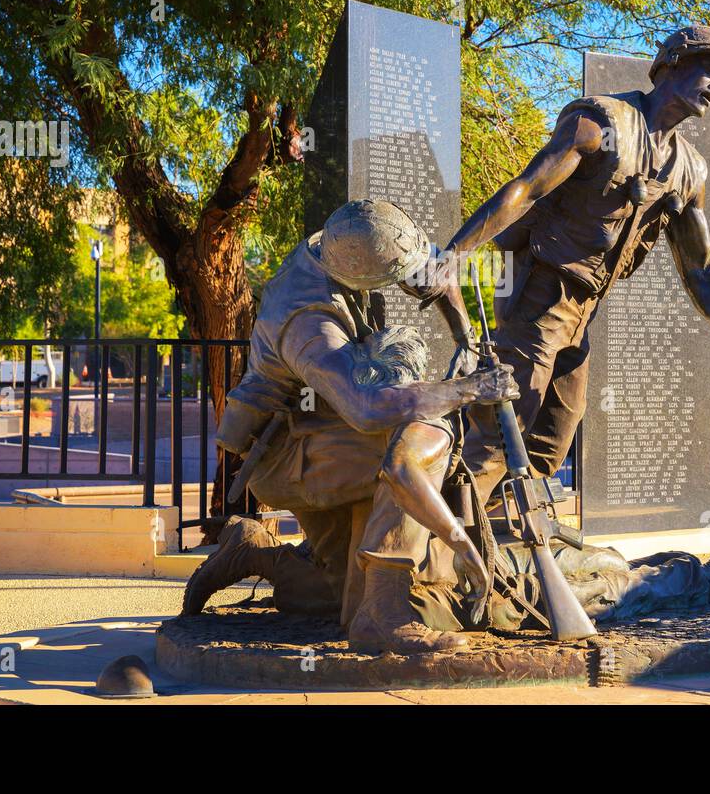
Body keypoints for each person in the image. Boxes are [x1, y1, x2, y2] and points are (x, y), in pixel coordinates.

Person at [415, 24, 710, 502]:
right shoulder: (602, 122)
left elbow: (701, 271)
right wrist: (452, 255)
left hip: (585, 311)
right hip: (541, 294)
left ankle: (488, 534)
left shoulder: (689, 169)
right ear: (671, 64)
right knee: (502, 435)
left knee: (547, 445)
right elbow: (528, 188)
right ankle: (425, 550)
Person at [187, 199, 517, 655]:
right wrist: (469, 389)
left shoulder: (355, 238)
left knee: (336, 593)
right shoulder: (309, 324)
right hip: (289, 453)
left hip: (327, 430)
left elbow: (434, 272)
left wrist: (466, 339)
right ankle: (384, 618)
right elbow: (366, 409)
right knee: (420, 440)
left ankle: (253, 554)